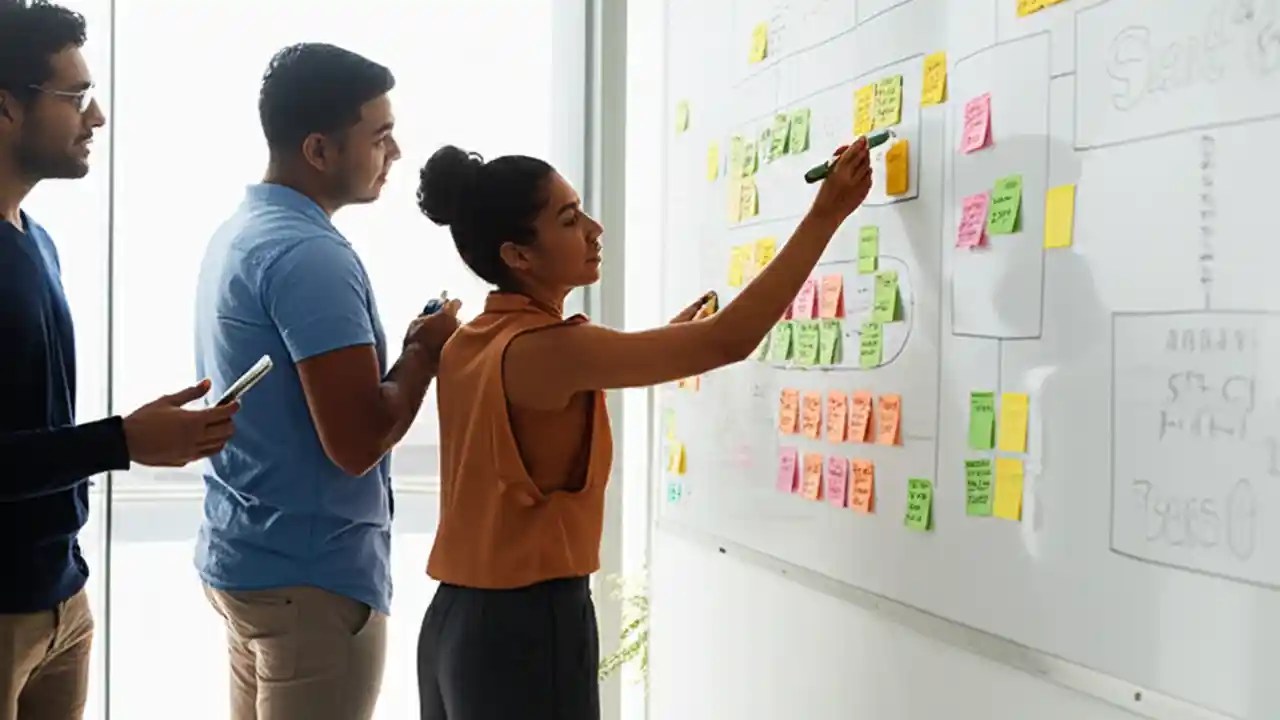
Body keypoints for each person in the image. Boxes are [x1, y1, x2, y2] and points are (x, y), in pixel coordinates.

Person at [414, 137, 874, 718]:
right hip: (524, 628)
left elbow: (540, 413)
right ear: (519, 255)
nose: (594, 228)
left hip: (454, 625)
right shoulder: (553, 348)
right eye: (568, 218)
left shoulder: (471, 341)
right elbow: (729, 339)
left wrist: (667, 341)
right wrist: (825, 214)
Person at [192, 42, 461, 720]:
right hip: (308, 584)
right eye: (380, 136)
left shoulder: (242, 232)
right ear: (319, 149)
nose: (395, 153)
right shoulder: (311, 255)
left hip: (246, 560)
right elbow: (356, 440)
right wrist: (423, 353)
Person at [0, 3, 240, 719]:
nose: (96, 115)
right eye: (74, 97)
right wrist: (123, 442)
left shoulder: (36, 240)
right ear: (5, 109)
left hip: (63, 599)